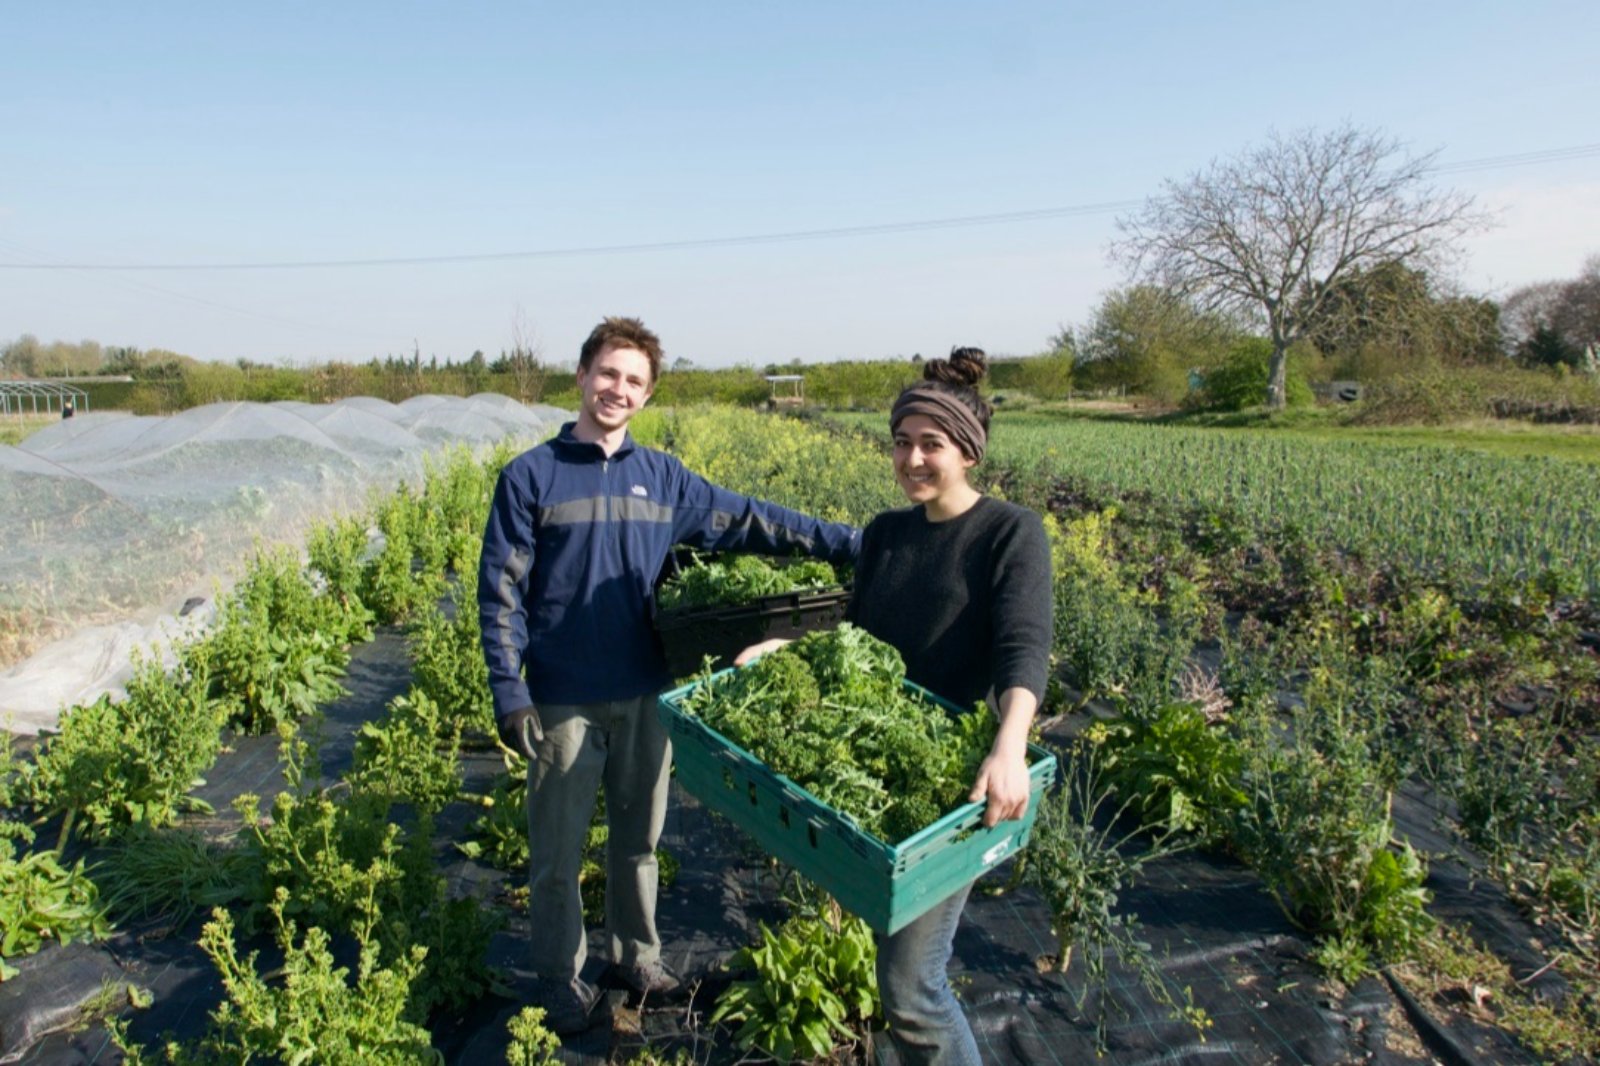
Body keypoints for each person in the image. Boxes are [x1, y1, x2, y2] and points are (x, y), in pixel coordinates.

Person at [477, 316, 860, 1037]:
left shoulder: (663, 479)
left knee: (638, 840)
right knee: (557, 852)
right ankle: (559, 976)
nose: (617, 389)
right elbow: (501, 592)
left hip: (647, 692)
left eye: (634, 381)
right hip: (562, 698)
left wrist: (850, 543)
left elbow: (752, 521)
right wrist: (510, 689)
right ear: (582, 375)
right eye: (607, 373)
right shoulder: (530, 477)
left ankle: (635, 958)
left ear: (647, 395)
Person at [737, 346, 1052, 1065]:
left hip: (952, 785)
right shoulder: (885, 533)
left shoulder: (1008, 532)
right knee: (893, 959)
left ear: (968, 451)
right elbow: (858, 634)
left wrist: (1009, 746)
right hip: (883, 760)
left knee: (912, 983)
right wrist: (786, 646)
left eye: (931, 444)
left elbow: (1023, 647)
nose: (912, 459)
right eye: (902, 442)